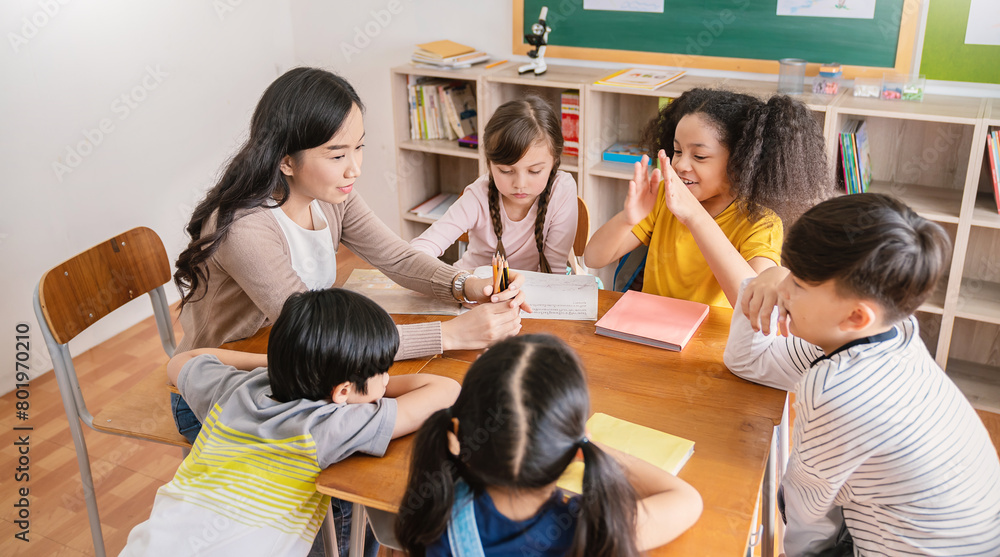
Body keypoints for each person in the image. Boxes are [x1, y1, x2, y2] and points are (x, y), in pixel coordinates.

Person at [724, 193, 1000, 556]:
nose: (783, 289)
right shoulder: (891, 332)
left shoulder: (836, 390)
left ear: (856, 316)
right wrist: (763, 278)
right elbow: (748, 363)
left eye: (799, 285)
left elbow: (806, 517)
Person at [120, 289, 462, 557]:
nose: (387, 378)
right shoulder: (328, 426)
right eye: (382, 371)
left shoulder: (233, 389)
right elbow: (446, 389)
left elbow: (183, 359)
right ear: (342, 391)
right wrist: (367, 393)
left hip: (152, 543)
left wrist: (282, 368)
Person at [395, 334, 703, 556]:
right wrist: (587, 444)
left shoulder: (437, 511)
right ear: (575, 453)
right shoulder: (590, 530)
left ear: (457, 434)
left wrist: (575, 441)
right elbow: (686, 500)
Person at [584, 88, 832, 307]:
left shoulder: (761, 223)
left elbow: (751, 302)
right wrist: (629, 218)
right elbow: (594, 258)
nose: (680, 164)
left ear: (740, 162)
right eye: (677, 151)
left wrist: (695, 216)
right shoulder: (663, 198)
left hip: (712, 345)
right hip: (654, 333)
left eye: (699, 156)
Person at [410, 96, 578, 273]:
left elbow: (554, 272)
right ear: (489, 163)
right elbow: (420, 250)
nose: (520, 184)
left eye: (534, 171)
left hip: (529, 294)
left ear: (554, 161)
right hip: (473, 291)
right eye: (506, 171)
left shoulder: (562, 190)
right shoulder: (478, 195)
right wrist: (458, 284)